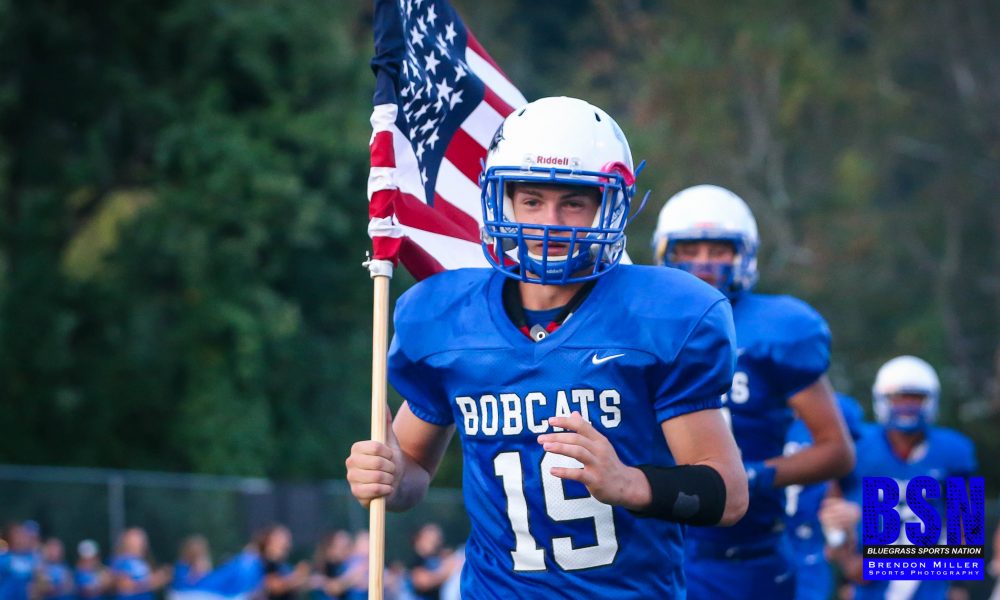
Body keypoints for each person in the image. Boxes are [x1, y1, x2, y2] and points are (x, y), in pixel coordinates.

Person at [346, 96, 748, 598]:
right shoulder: (449, 318)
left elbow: (730, 494)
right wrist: (387, 473)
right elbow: (413, 472)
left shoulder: (664, 315)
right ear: (502, 200)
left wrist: (629, 483)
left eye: (573, 202)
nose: (549, 222)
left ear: (610, 204)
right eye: (532, 200)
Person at [652, 184, 856, 600]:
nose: (704, 263)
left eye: (719, 249)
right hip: (660, 543)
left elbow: (841, 456)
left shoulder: (780, 332)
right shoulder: (644, 320)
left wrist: (954, 574)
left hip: (755, 552)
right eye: (690, 248)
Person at [822, 355, 978, 600]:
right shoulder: (857, 446)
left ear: (931, 401)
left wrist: (960, 584)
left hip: (930, 584)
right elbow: (831, 507)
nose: (907, 405)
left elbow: (967, 526)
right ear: (882, 400)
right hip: (867, 586)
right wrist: (846, 562)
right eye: (899, 397)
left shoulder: (954, 450)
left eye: (916, 397)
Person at [783, 393, 865, 600]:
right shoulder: (740, 399)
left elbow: (846, 482)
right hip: (746, 548)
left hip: (809, 553)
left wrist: (849, 514)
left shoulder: (838, 409)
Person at [109, 528, 170, 600]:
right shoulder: (120, 561)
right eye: (137, 540)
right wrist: (154, 581)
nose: (142, 544)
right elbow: (125, 587)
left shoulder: (142, 561)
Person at [407, 524, 460, 600]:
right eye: (431, 536)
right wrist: (448, 571)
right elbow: (424, 582)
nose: (437, 540)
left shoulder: (438, 556)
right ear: (421, 538)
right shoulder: (417, 562)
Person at [257, 525, 309, 600]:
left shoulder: (283, 566)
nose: (287, 545)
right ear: (269, 541)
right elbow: (274, 586)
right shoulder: (261, 563)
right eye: (282, 540)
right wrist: (297, 577)